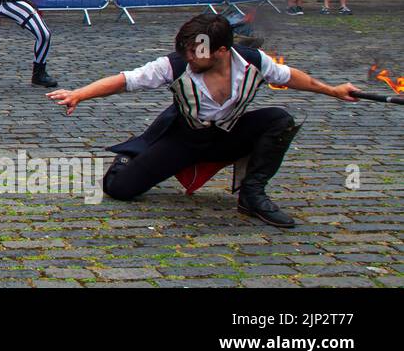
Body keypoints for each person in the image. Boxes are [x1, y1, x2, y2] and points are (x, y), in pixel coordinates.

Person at [48, 13, 359, 228]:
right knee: (120, 189)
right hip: (184, 139)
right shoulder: (176, 65)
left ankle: (252, 195)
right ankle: (131, 158)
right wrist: (79, 94)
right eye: (186, 51)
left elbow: (291, 77)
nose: (189, 58)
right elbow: (126, 80)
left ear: (223, 50)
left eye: (196, 53)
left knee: (280, 119)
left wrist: (333, 90)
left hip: (227, 136)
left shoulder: (252, 61)